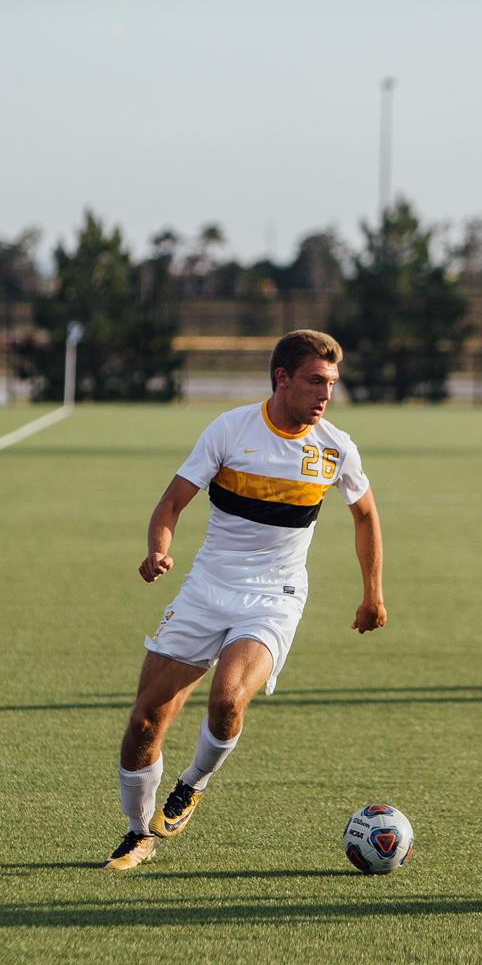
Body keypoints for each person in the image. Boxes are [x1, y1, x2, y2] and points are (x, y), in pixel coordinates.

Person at [102, 330, 388, 870]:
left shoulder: (335, 447)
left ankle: (193, 782)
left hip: (274, 597)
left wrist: (372, 593)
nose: (326, 394)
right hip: (206, 589)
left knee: (227, 698)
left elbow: (366, 515)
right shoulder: (231, 430)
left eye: (331, 383)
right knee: (144, 722)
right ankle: (139, 833)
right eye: (315, 381)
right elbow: (171, 503)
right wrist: (157, 550)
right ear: (282, 378)